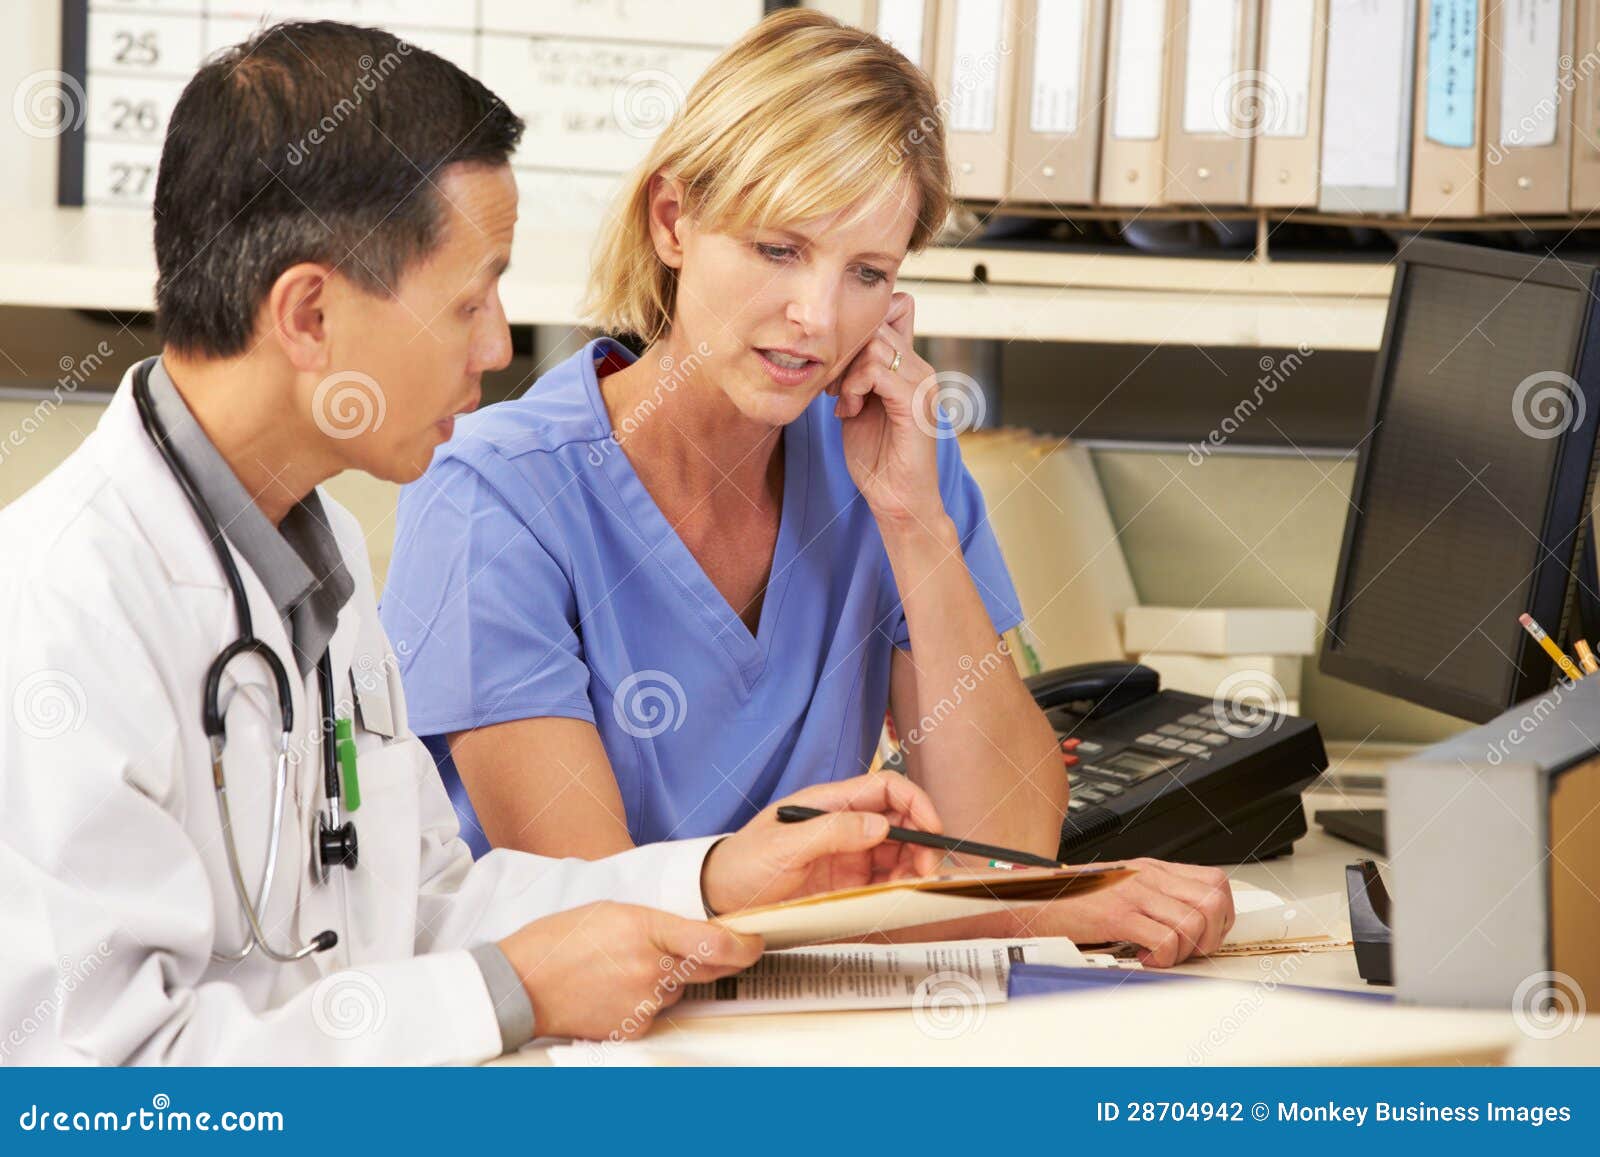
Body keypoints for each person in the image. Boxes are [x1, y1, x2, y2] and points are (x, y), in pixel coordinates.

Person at [0, 21, 948, 1066]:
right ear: (310, 315)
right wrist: (509, 992)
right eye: (468, 299)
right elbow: (94, 1089)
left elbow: (418, 899)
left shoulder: (316, 565)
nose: (497, 346)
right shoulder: (59, 611)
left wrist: (717, 875)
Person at [381, 10, 1234, 968]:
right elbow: (608, 926)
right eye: (779, 250)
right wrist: (1039, 912)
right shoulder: (494, 496)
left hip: (802, 1027)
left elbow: (1005, 840)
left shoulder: (893, 458)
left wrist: (913, 521)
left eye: (867, 271)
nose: (817, 317)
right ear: (673, 220)